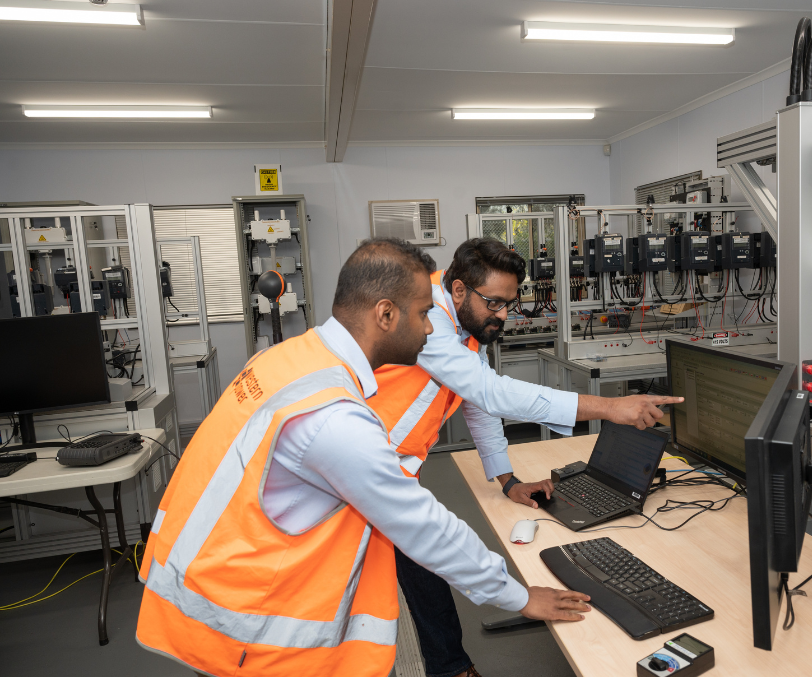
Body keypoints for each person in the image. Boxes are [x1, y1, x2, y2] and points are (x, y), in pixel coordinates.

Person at [134, 238, 591, 677]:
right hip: (242, 628)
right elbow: (424, 527)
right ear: (386, 314)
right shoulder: (335, 420)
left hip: (210, 580)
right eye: (424, 314)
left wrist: (506, 477)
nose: (432, 328)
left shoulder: (285, 359)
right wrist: (520, 596)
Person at [370, 237, 682, 677]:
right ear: (459, 291)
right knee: (407, 567)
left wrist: (507, 480)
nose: (502, 316)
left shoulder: (466, 327)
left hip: (396, 469)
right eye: (494, 303)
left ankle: (449, 666)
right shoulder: (431, 321)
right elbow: (492, 393)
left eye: (509, 304)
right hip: (368, 468)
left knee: (423, 564)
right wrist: (610, 407)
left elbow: (476, 404)